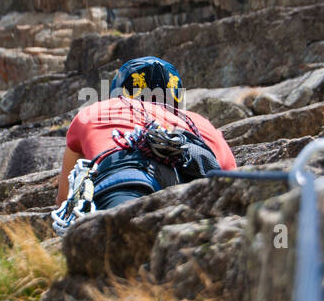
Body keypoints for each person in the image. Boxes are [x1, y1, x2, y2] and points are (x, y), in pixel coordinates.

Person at [56, 56, 237, 211]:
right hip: (196, 180)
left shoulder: (97, 111)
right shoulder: (200, 123)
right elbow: (232, 185)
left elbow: (64, 200)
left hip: (128, 175)